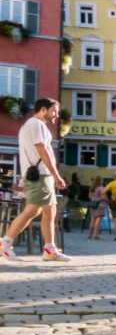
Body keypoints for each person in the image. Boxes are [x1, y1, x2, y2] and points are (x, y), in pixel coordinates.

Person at [2, 98, 70, 262]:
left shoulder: (37, 126)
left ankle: (49, 248)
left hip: (42, 175)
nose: (56, 115)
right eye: (54, 111)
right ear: (43, 110)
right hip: (40, 174)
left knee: (49, 210)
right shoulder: (36, 124)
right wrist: (56, 175)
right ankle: (5, 244)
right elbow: (42, 150)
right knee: (32, 210)